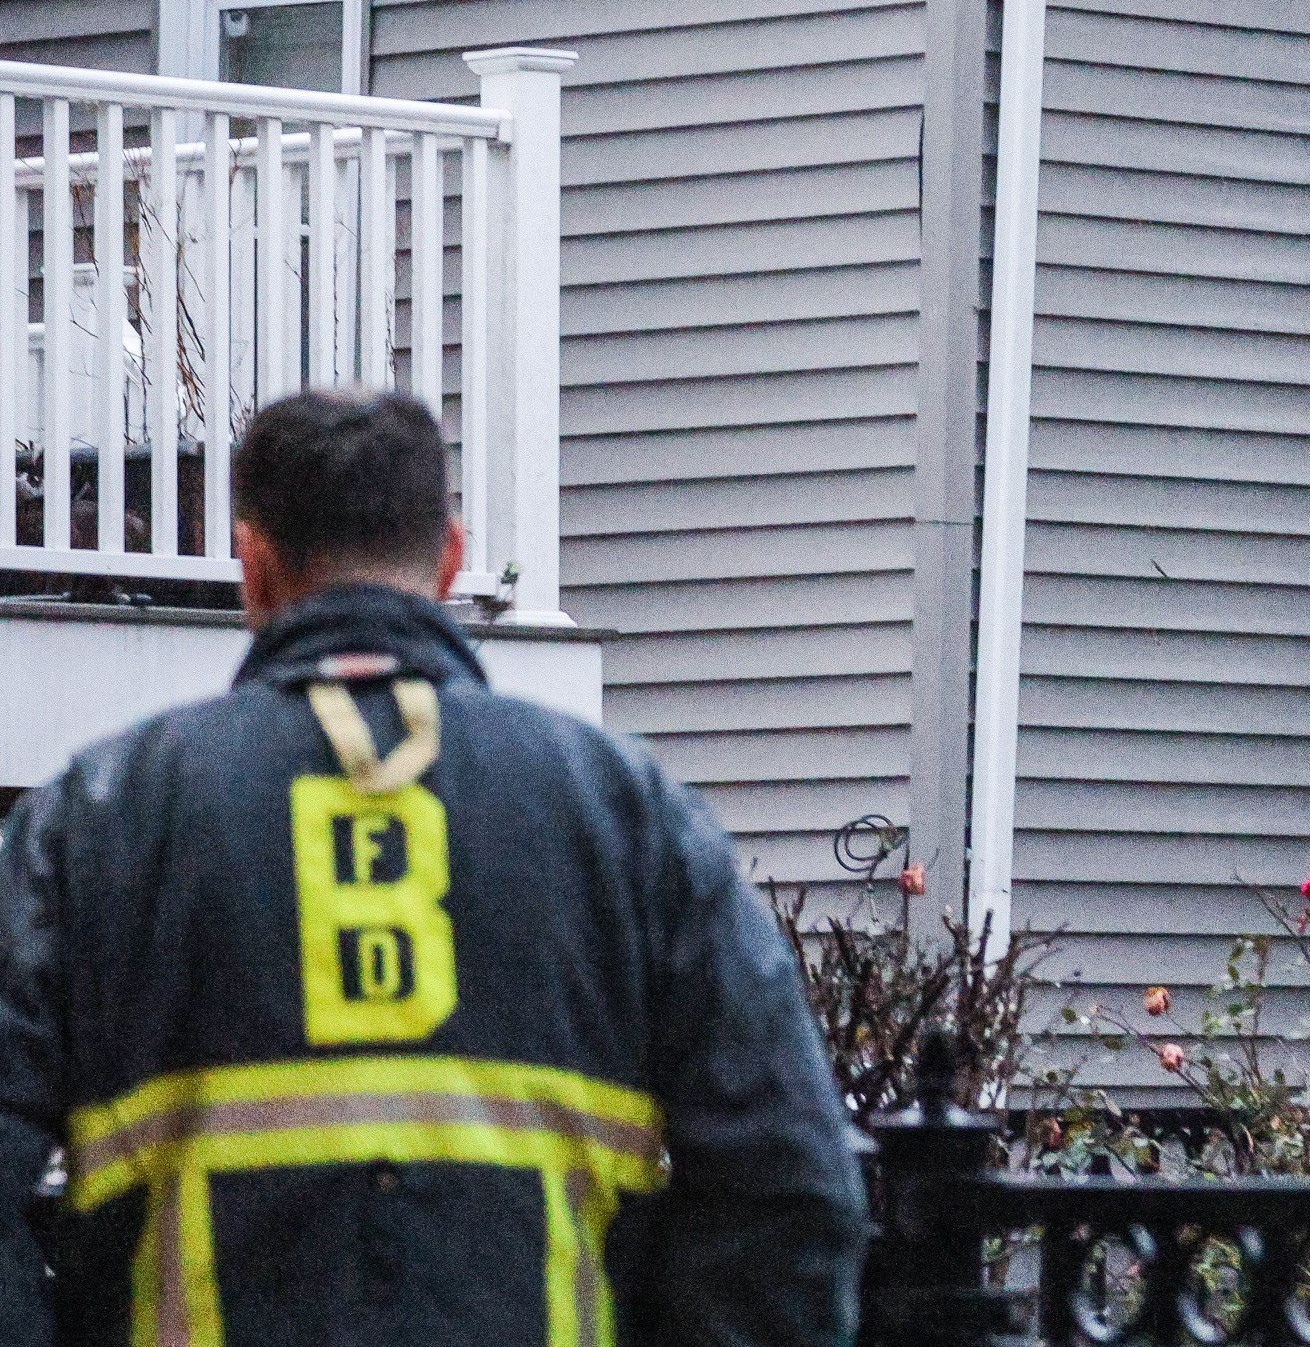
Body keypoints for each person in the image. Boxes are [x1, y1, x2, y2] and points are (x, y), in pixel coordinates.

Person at [0, 390, 865, 1347]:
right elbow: (789, 1188)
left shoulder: (95, 820)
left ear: (254, 564)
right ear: (451, 558)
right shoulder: (628, 816)